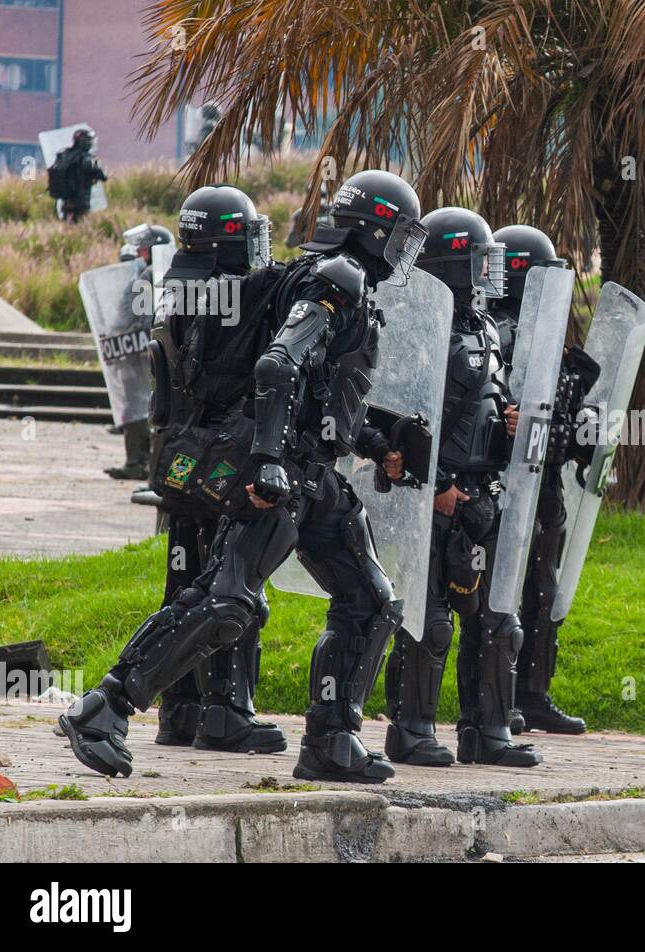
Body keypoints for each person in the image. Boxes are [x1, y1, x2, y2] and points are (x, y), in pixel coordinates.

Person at [59, 169, 428, 783]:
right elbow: (280, 366)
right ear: (377, 230)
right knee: (227, 601)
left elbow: (324, 393)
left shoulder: (335, 281)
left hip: (313, 475)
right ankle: (104, 707)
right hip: (281, 473)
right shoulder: (338, 279)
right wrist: (265, 461)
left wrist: (380, 441)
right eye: (401, 234)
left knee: (371, 600)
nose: (405, 251)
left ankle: (333, 741)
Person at [383, 206, 542, 768]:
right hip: (435, 497)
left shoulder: (483, 326)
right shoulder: (422, 329)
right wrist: (439, 485)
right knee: (429, 620)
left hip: (482, 494)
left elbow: (481, 405)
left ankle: (488, 732)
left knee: (497, 619)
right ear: (453, 263)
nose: (489, 274)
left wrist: (508, 424)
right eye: (480, 261)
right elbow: (406, 414)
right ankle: (412, 729)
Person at [147, 186, 286, 754]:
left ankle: (177, 710)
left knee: (183, 584)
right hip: (222, 465)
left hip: (178, 462)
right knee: (232, 589)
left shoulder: (178, 290)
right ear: (230, 241)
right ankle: (228, 712)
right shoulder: (240, 299)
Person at [490, 224, 599, 735]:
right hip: (506, 485)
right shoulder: (491, 332)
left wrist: (586, 432)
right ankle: (498, 699)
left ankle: (533, 695)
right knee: (502, 592)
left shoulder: (547, 337)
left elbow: (561, 418)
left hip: (547, 486)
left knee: (542, 591)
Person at [103, 224, 173, 480]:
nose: (140, 251)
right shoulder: (168, 272)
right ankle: (151, 465)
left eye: (144, 247)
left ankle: (137, 463)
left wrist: (116, 334)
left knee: (134, 405)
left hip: (136, 350)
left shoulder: (148, 275)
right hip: (158, 350)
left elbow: (130, 317)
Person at [49, 128, 107, 224]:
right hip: (81, 202)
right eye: (89, 140)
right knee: (80, 228)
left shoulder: (64, 155)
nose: (90, 143)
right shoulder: (88, 159)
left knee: (67, 228)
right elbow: (104, 176)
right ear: (84, 142)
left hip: (65, 203)